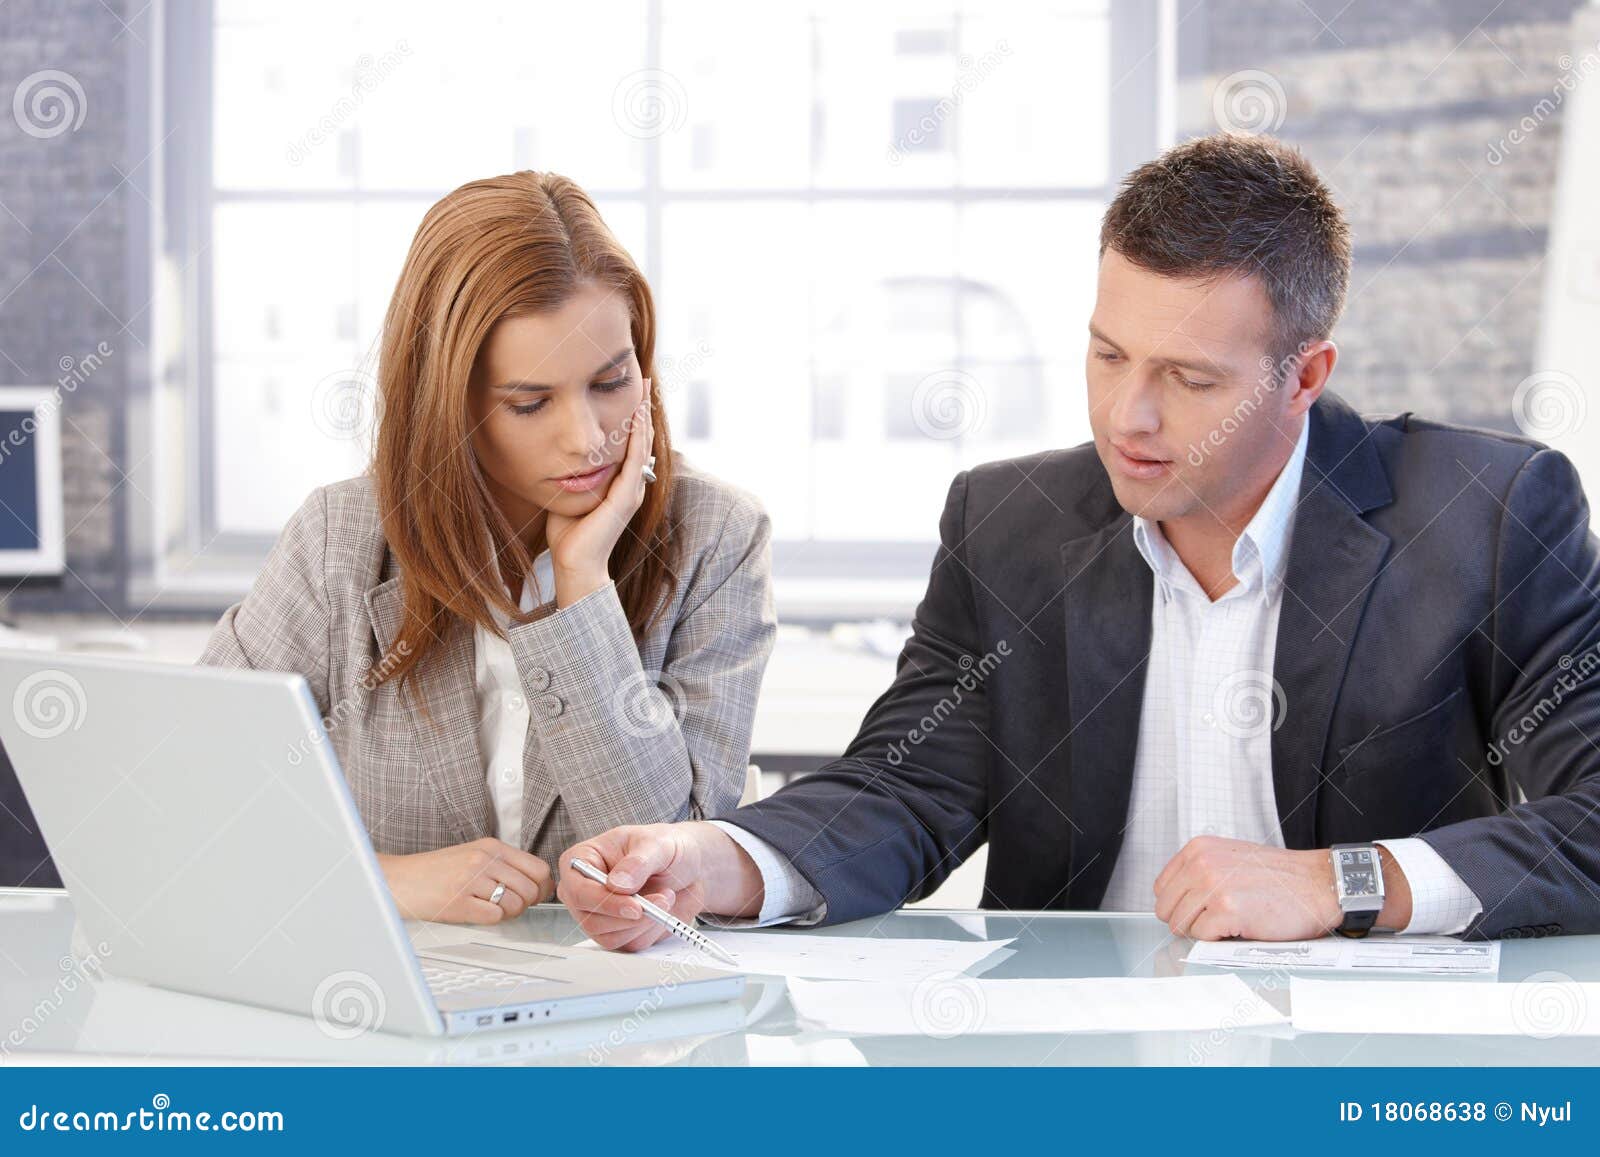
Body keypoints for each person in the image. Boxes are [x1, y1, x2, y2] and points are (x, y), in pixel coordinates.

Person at [560, 133, 1600, 949]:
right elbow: (905, 788)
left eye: (1190, 378)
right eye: (1108, 355)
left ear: (1306, 375)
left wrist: (1343, 882)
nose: (1127, 417)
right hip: (1074, 1054)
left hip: (1355, 1064)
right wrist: (713, 858)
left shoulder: (1484, 516)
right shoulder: (1009, 523)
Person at [201, 172, 775, 926]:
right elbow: (193, 795)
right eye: (529, 402)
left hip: (620, 992)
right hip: (388, 990)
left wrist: (582, 585)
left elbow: (665, 874)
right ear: (446, 403)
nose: (587, 438)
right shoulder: (341, 537)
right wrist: (384, 881)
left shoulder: (718, 536)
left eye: (611, 382)